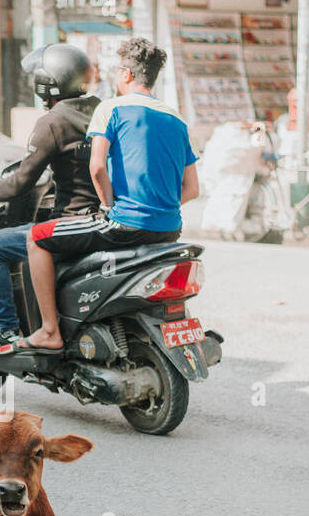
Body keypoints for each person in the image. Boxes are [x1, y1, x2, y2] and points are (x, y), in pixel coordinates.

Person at [24, 36, 200, 353]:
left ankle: (50, 330)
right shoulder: (177, 118)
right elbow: (192, 189)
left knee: (36, 237)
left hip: (125, 225)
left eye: (117, 71)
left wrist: (109, 205)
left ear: (127, 74)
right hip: (170, 229)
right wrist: (159, 205)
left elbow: (96, 168)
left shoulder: (111, 108)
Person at [0, 44, 100, 356]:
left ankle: (7, 332)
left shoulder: (52, 122)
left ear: (45, 84)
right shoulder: (100, 110)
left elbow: (20, 183)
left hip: (70, 222)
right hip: (102, 218)